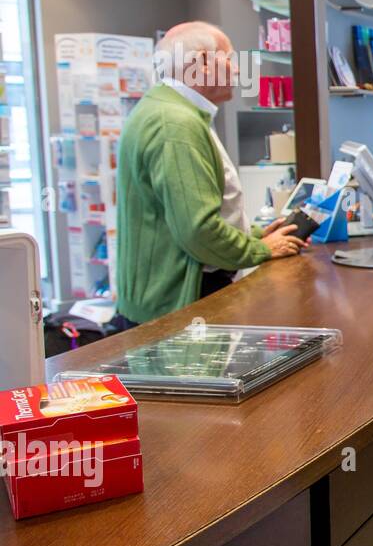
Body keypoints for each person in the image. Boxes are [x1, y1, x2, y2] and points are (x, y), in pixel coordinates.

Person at [113, 22, 306, 329]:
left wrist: (253, 234)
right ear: (202, 63)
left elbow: (182, 212)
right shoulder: (175, 124)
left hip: (162, 301)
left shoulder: (169, 111)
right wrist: (259, 250)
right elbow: (198, 230)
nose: (238, 71)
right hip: (177, 305)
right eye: (230, 59)